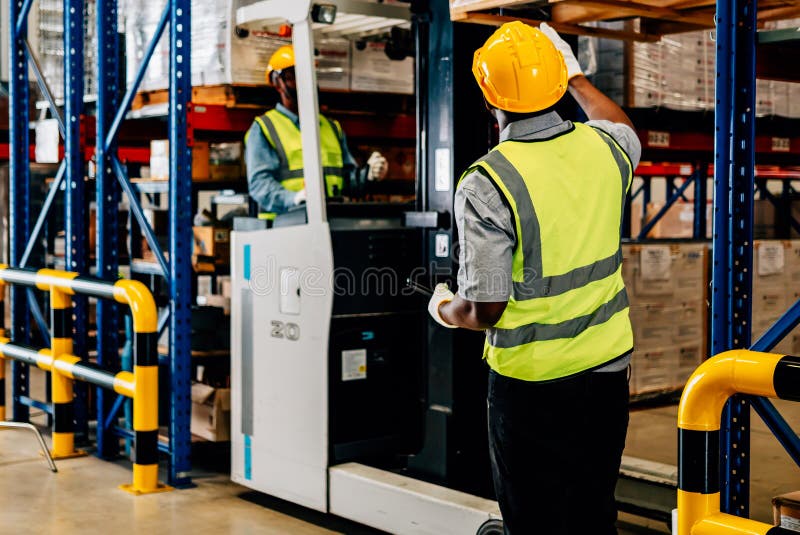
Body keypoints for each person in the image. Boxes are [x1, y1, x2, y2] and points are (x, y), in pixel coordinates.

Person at [426, 22, 641, 535]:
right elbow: (623, 127)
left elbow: (485, 309)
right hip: (606, 373)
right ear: (557, 80)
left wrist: (442, 307)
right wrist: (578, 80)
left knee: (534, 522)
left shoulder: (487, 181)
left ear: (487, 96)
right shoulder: (605, 150)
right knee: (593, 512)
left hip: (532, 388)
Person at [245, 45, 388, 218]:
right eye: (293, 77)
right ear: (277, 83)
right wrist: (293, 198)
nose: (303, 83)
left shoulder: (332, 128)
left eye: (308, 75)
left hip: (330, 223)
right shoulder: (264, 128)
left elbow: (347, 182)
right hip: (285, 228)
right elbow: (260, 185)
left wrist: (368, 175)